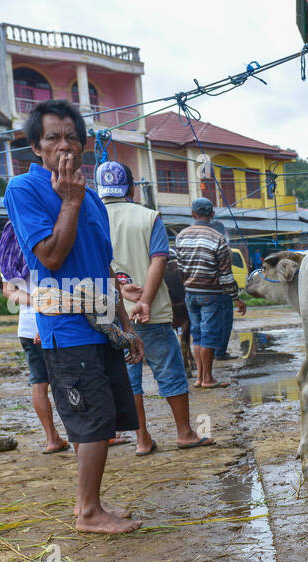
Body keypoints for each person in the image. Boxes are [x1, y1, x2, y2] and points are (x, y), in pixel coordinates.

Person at [4, 99, 145, 535]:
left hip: (102, 322)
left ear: (84, 146)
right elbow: (49, 255)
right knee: (89, 423)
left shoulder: (95, 201)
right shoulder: (24, 190)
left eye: (72, 137)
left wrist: (125, 326)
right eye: (53, 138)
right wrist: (67, 201)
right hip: (66, 326)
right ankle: (87, 513)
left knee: (105, 419)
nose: (64, 145)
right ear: (36, 147)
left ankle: (94, 503)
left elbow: (104, 267)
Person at [96, 160, 212, 454]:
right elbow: (160, 259)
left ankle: (142, 439)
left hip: (109, 312)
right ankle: (185, 433)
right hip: (151, 313)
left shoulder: (90, 219)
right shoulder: (149, 217)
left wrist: (121, 289)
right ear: (132, 188)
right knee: (170, 370)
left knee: (128, 378)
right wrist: (145, 299)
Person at [0, 221, 68, 454]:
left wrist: (32, 302)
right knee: (67, 381)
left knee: (39, 384)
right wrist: (42, 308)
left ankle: (52, 439)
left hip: (26, 328)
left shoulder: (9, 253)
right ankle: (87, 436)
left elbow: (8, 290)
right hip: (53, 324)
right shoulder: (48, 248)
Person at [175, 197, 243, 387]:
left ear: (193, 214)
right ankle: (207, 378)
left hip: (190, 293)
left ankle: (199, 378)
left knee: (197, 334)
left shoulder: (181, 236)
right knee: (209, 335)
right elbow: (226, 275)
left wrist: (187, 286)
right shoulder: (218, 238)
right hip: (210, 294)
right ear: (212, 215)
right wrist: (236, 298)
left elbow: (179, 267)